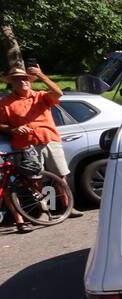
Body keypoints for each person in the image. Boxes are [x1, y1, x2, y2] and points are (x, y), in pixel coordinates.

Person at [0, 63, 82, 230]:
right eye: (17, 80)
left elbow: (58, 93)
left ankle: (68, 207)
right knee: (36, 181)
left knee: (59, 176)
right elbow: (0, 124)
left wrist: (42, 75)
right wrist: (13, 129)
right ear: (12, 83)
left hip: (49, 140)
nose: (22, 81)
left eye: (24, 79)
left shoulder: (41, 96)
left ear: (30, 81)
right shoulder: (6, 102)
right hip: (25, 145)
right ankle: (46, 210)